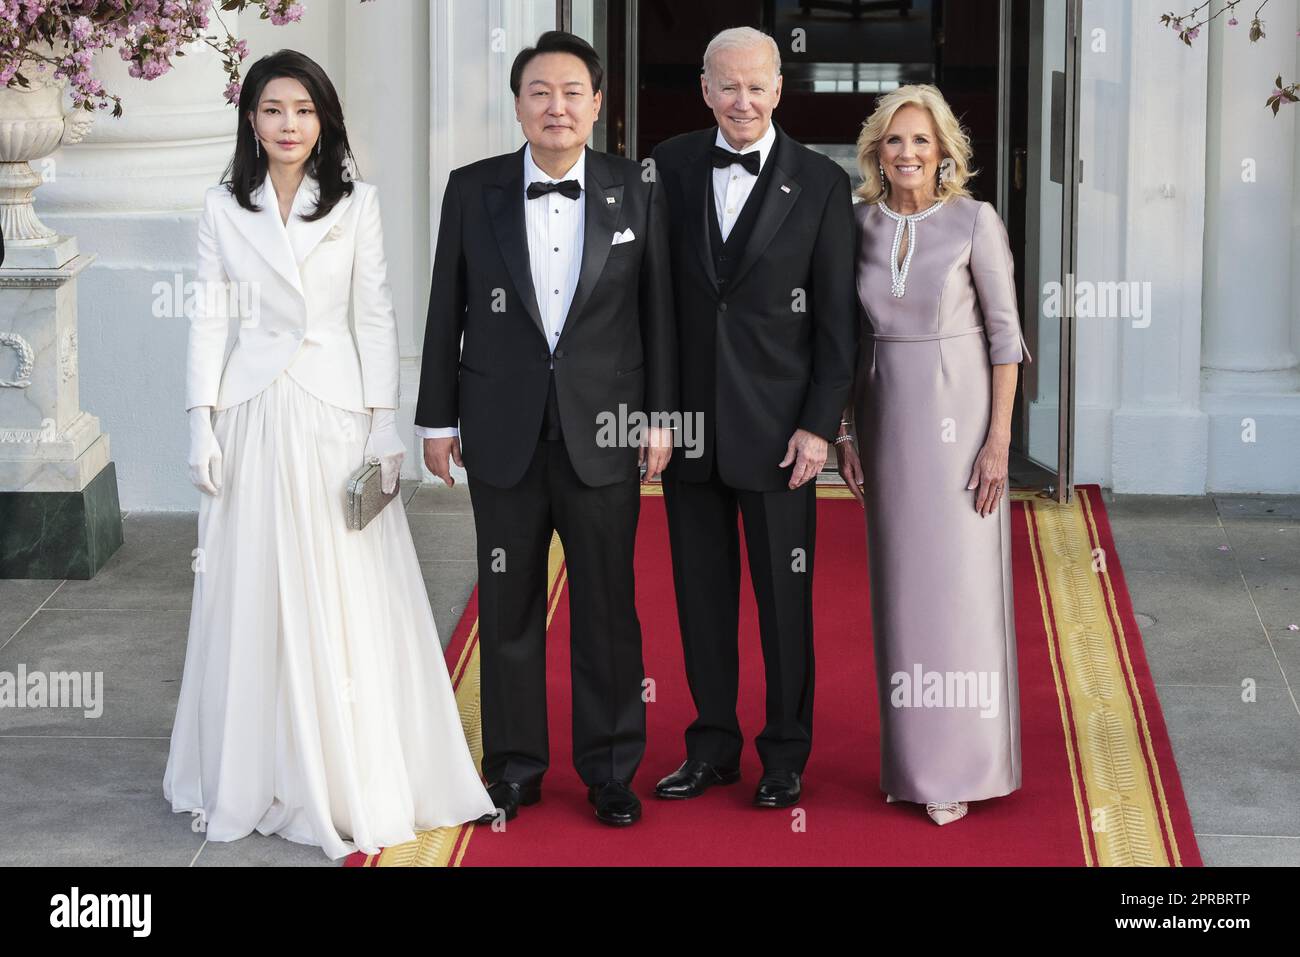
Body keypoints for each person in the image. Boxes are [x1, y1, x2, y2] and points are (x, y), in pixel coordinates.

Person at [165, 50, 494, 859]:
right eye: (274, 110)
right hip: (250, 412)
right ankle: (257, 763)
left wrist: (386, 422)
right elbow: (209, 318)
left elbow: (374, 314)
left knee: (344, 584)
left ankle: (350, 766)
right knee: (253, 584)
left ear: (324, 121)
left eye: (304, 111)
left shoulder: (357, 203)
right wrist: (198, 421)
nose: (288, 125)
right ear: (251, 119)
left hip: (335, 414)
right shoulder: (219, 207)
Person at [415, 31, 677, 828]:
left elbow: (657, 313)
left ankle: (609, 770)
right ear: (519, 103)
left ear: (598, 103)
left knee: (607, 607)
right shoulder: (473, 189)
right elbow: (445, 311)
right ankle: (515, 767)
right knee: (509, 603)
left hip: (606, 428)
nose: (556, 106)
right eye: (539, 91)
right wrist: (435, 417)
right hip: (501, 429)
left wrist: (662, 413)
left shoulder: (638, 190)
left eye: (572, 92)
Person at [650, 27, 858, 809]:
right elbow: (653, 305)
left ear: (780, 90)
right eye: (727, 86)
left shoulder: (821, 182)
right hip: (691, 431)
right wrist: (656, 414)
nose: (743, 100)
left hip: (781, 435)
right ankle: (710, 747)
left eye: (757, 86)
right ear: (705, 90)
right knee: (700, 597)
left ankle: (784, 754)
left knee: (785, 599)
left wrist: (819, 424)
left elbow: (839, 325)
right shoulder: (665, 167)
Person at [835, 83, 1031, 826]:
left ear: (945, 151)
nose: (908, 153)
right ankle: (914, 762)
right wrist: (847, 430)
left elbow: (1007, 338)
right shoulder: (855, 226)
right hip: (887, 413)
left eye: (921, 141)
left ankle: (968, 762)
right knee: (903, 590)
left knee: (963, 590)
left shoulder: (975, 221)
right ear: (876, 153)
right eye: (894, 141)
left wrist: (999, 441)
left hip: (963, 412)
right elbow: (848, 340)